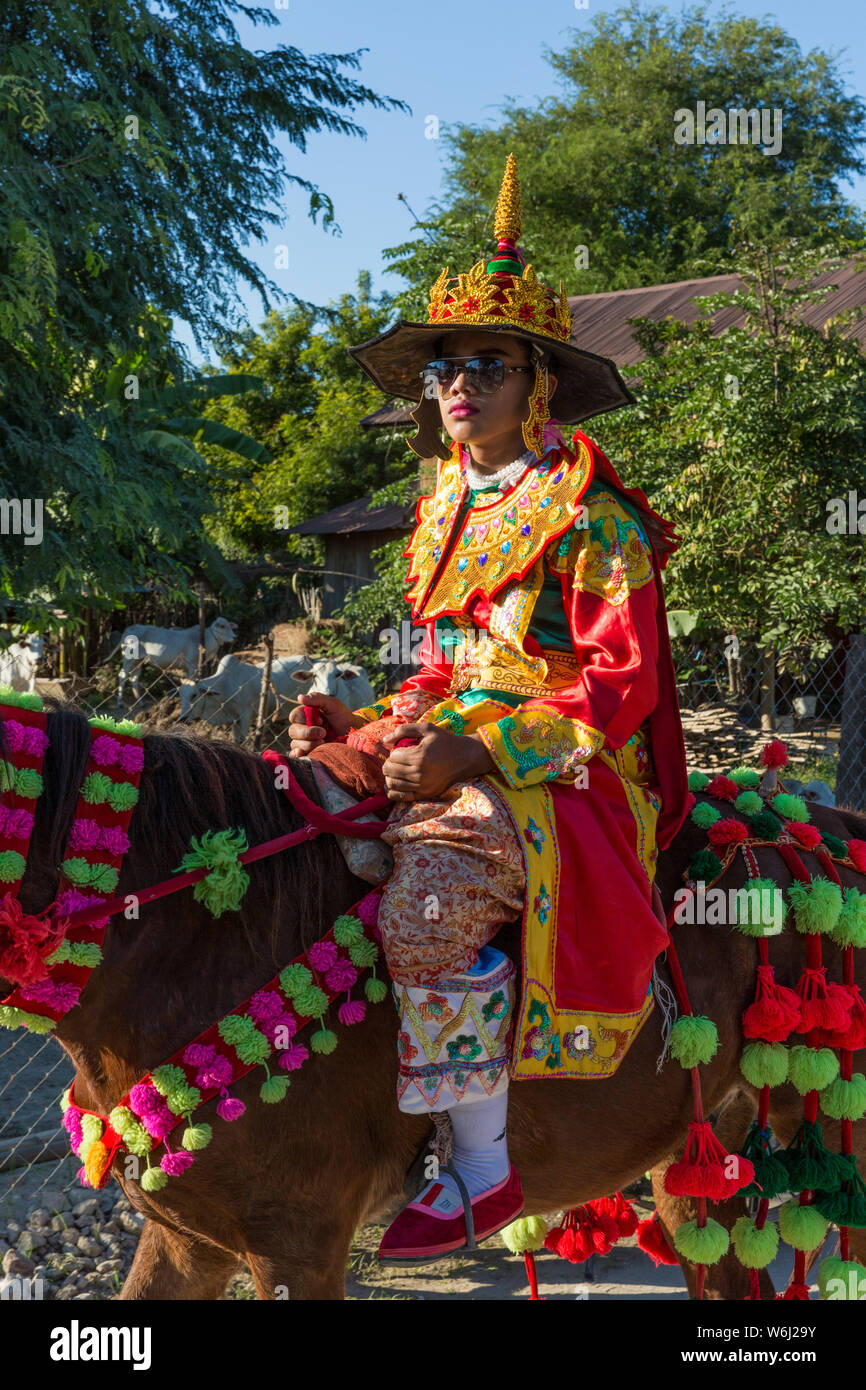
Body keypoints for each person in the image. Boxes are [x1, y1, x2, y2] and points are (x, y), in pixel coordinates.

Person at [287, 155, 689, 1262]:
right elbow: (437, 666)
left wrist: (473, 748)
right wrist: (364, 731)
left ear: (538, 383)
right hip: (456, 742)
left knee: (423, 905)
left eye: (487, 365)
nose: (458, 384)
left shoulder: (589, 514)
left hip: (564, 768)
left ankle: (481, 1163)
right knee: (299, 821)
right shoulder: (440, 511)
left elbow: (617, 690)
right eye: (444, 368)